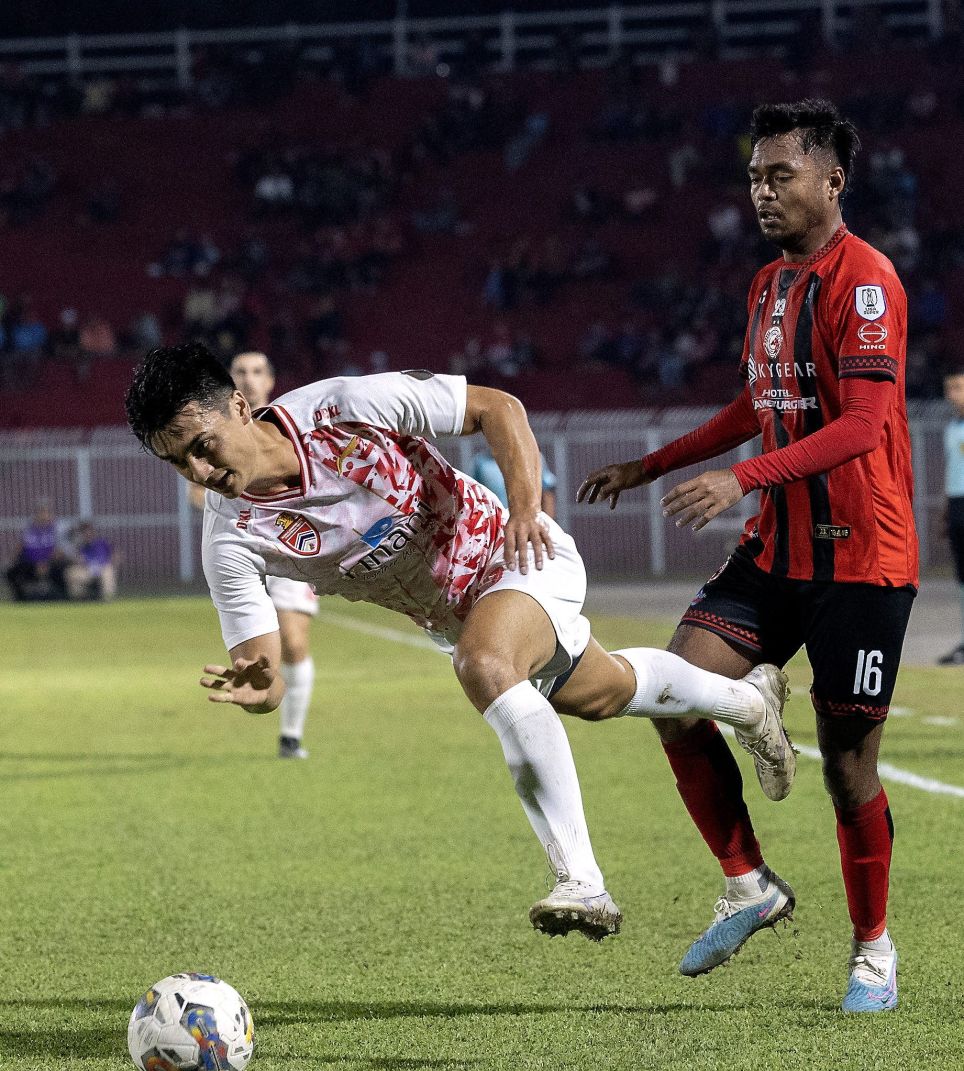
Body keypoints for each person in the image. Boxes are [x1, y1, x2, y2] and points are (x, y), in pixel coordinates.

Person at [126, 342, 796, 940]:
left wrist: (527, 508)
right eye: (177, 462)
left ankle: (582, 882)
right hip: (453, 616)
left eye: (201, 445)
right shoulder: (232, 538)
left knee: (485, 663)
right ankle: (749, 703)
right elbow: (263, 675)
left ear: (240, 408)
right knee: (605, 692)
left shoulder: (340, 408)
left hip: (518, 556)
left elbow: (497, 408)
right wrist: (256, 687)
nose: (198, 470)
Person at [579, 99, 916, 1012]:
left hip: (863, 564)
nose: (761, 191)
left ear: (831, 181)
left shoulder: (869, 282)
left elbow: (866, 423)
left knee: (850, 768)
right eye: (755, 176)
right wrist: (650, 465)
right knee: (672, 692)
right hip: (777, 555)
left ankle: (873, 949)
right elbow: (753, 406)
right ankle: (749, 883)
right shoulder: (769, 285)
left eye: (780, 175)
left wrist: (742, 480)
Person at [230, 350, 318, 758]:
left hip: (287, 547)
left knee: (295, 644)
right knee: (258, 652)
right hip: (244, 550)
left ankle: (291, 736)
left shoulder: (289, 423)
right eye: (241, 372)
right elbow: (198, 492)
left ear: (270, 380)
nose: (249, 379)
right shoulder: (222, 434)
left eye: (257, 372)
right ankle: (262, 700)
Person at [938, 366, 964, 665]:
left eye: (957, 387)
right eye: (949, 389)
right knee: (961, 578)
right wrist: (945, 512)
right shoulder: (952, 428)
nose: (952, 395)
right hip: (957, 507)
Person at [470, 444, 557, 519]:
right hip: (495, 523)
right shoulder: (480, 462)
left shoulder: (532, 457)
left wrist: (548, 524)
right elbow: (475, 498)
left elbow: (547, 493)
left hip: (527, 522)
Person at [5, 501, 69, 601]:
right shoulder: (29, 529)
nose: (43, 516)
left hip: (51, 564)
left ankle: (62, 598)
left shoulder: (57, 529)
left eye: (46, 513)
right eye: (41, 513)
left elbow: (61, 551)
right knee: (10, 572)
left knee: (62, 571)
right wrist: (12, 560)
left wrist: (45, 563)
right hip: (31, 564)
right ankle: (21, 599)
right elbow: (21, 546)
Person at [64, 521, 118, 600]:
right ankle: (83, 597)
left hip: (103, 568)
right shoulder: (80, 546)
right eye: (85, 532)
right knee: (70, 573)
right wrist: (78, 560)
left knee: (108, 571)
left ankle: (107, 598)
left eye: (89, 532)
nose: (88, 534)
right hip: (87, 570)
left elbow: (115, 554)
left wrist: (113, 563)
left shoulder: (102, 542)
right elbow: (77, 560)